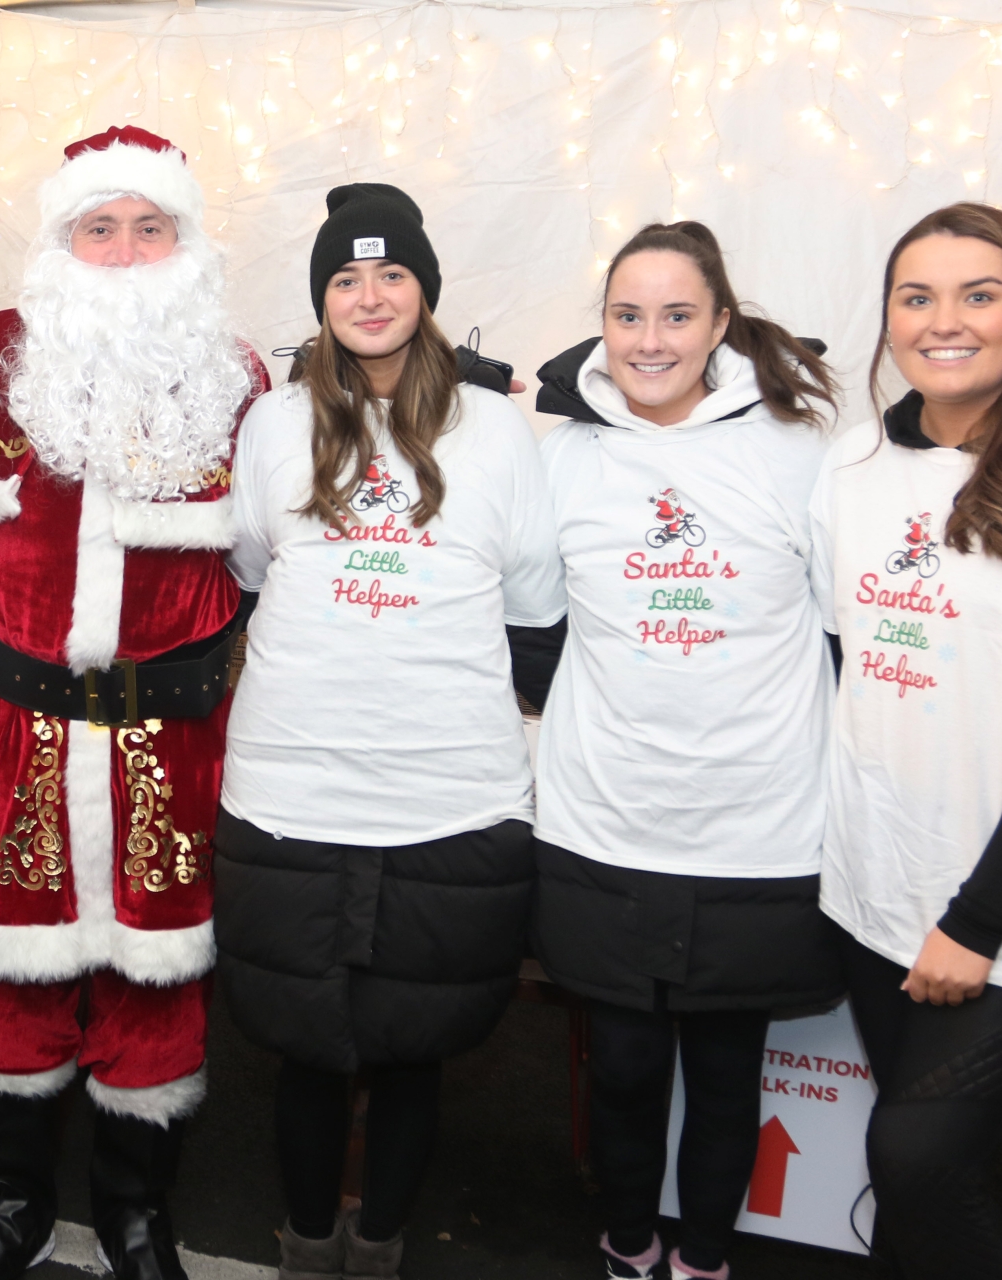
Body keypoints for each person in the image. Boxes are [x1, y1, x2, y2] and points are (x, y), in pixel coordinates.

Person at [215, 183, 566, 1280]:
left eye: (391, 274)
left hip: (449, 799)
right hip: (291, 792)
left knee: (418, 1053)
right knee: (306, 1051)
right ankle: (308, 1244)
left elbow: (536, 607)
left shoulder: (496, 428)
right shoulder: (274, 422)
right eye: (344, 278)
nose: (369, 296)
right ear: (321, 300)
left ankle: (381, 1246)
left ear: (428, 291)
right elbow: (249, 568)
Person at [0, 127, 267, 1280]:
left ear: (187, 243)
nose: (124, 254)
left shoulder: (241, 376)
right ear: (57, 242)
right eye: (98, 227)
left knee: (156, 984)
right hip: (14, 728)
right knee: (8, 983)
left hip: (170, 741)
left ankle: (138, 1216)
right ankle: (11, 1207)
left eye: (150, 227)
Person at [528, 220, 844, 1280]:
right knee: (618, 1065)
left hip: (757, 828)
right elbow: (533, 623)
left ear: (719, 322)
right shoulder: (561, 453)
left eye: (675, 315)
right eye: (627, 315)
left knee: (724, 1072)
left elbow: (846, 631)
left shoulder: (802, 449)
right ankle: (626, 1243)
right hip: (604, 818)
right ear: (602, 325)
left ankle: (704, 1257)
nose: (649, 339)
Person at [811, 202, 1002, 1280]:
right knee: (928, 1169)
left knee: (912, 1153)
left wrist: (976, 920)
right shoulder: (855, 464)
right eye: (917, 296)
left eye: (979, 294)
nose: (943, 320)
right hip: (877, 885)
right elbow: (845, 663)